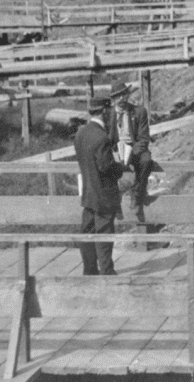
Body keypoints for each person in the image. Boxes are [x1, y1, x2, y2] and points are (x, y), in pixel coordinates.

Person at [75, 92, 124, 276]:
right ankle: (107, 273)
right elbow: (106, 168)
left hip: (88, 195)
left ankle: (89, 271)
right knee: (104, 237)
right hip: (104, 196)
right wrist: (121, 168)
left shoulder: (80, 134)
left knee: (87, 234)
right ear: (104, 111)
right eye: (109, 110)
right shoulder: (101, 138)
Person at [109, 80, 152, 220]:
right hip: (116, 150)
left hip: (133, 150)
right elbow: (106, 139)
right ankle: (114, 203)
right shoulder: (109, 115)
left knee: (146, 160)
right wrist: (114, 152)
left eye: (123, 95)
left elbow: (143, 139)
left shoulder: (139, 112)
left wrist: (131, 152)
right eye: (117, 96)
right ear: (113, 99)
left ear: (127, 95)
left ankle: (137, 196)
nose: (121, 99)